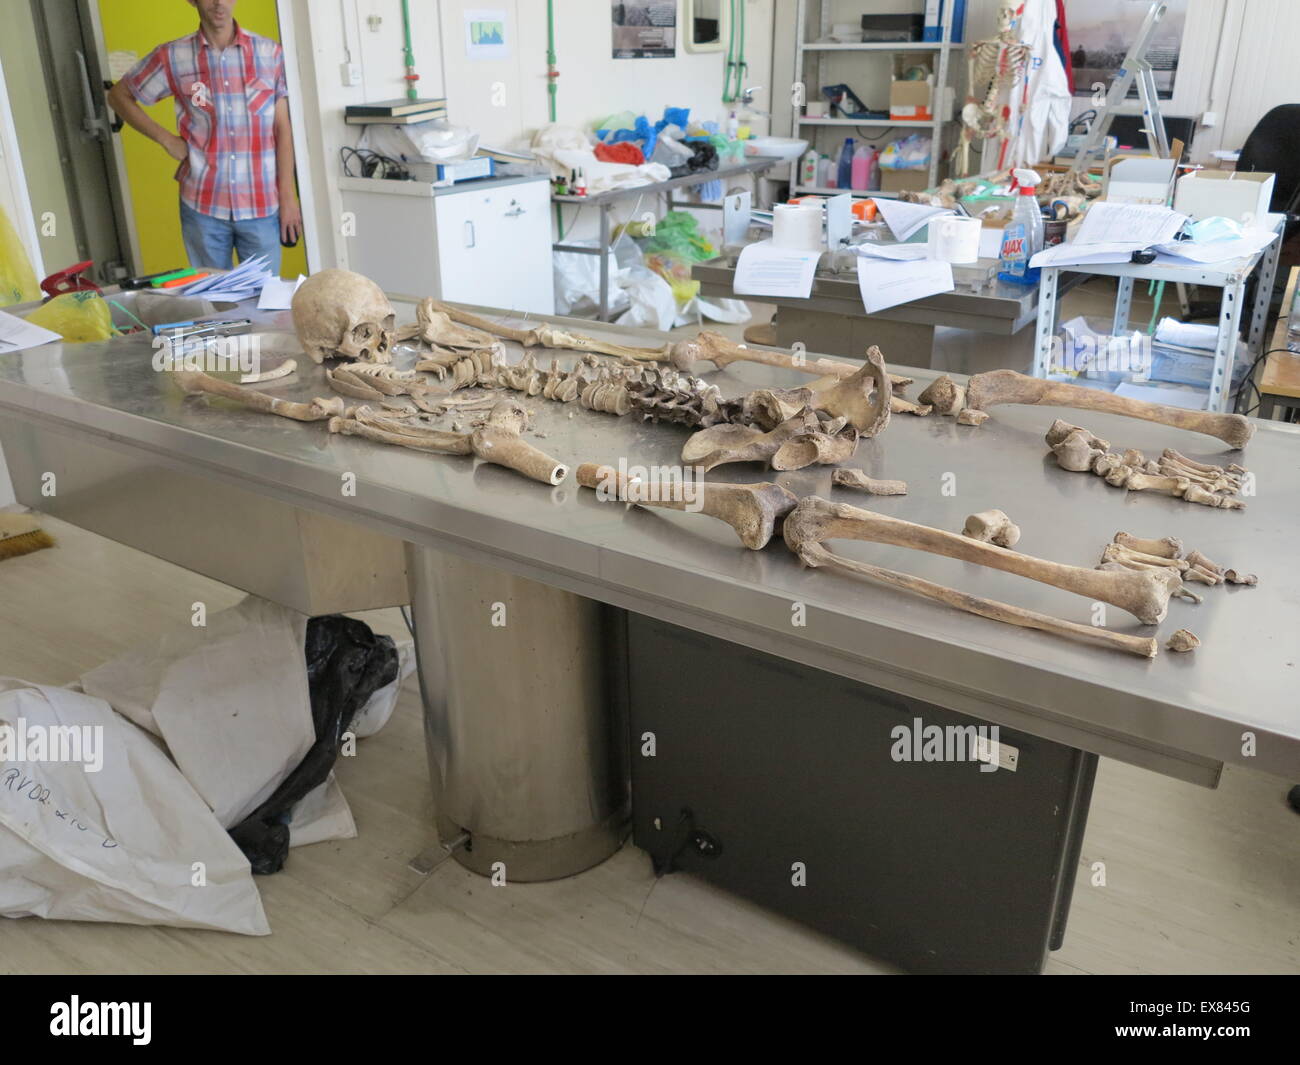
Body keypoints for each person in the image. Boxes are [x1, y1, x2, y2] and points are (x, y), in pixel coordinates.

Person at [106, 0, 301, 274]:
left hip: (261, 204)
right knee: (213, 303)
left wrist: (289, 197)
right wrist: (166, 139)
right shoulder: (172, 56)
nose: (219, 3)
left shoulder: (270, 53)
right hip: (203, 205)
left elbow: (282, 129)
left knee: (265, 301)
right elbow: (118, 96)